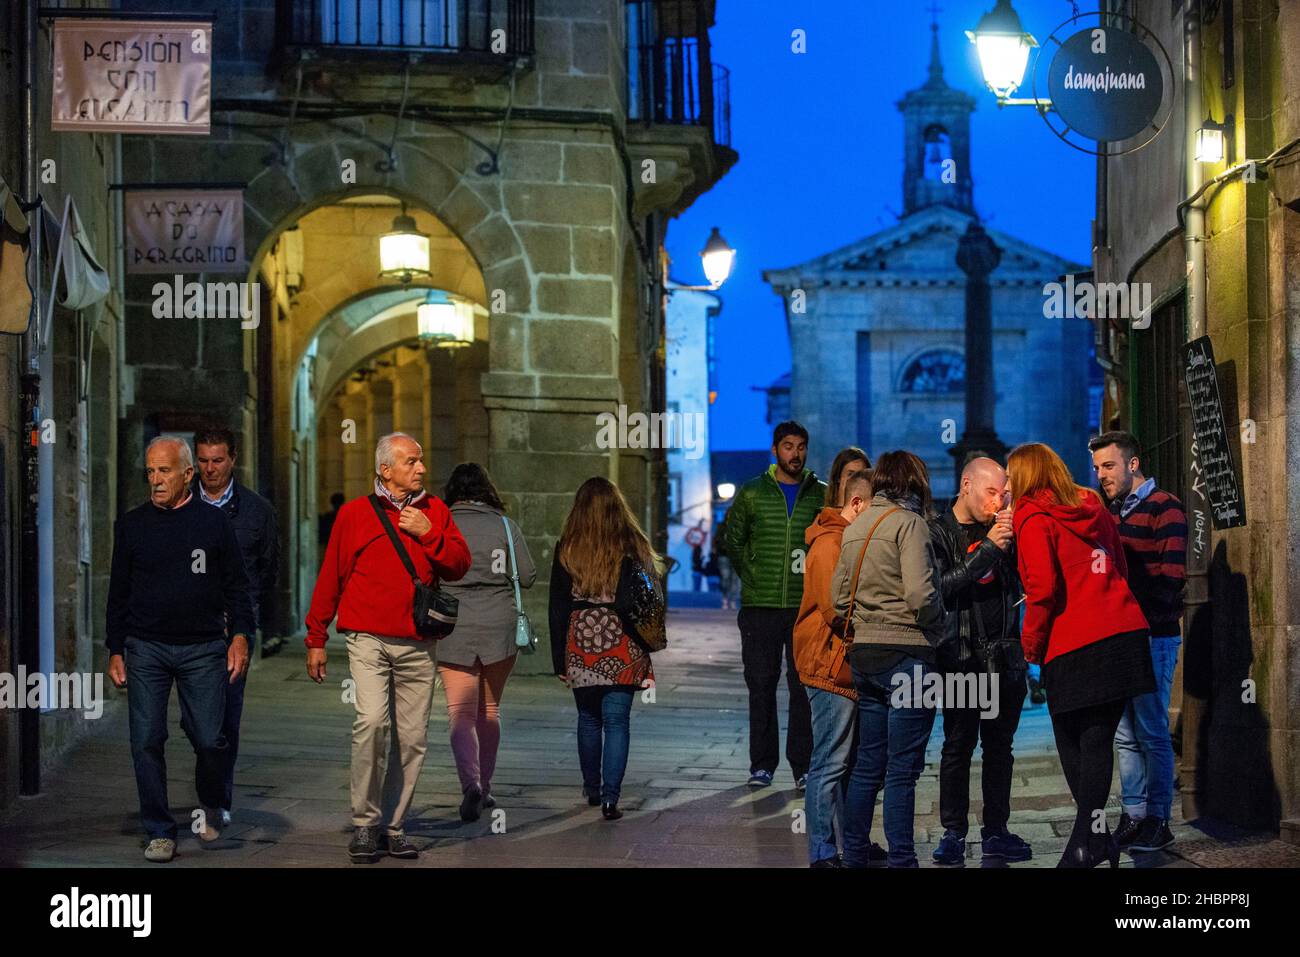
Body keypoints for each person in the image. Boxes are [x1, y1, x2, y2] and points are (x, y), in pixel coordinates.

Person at [304, 432, 471, 863]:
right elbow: (332, 577)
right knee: (372, 721)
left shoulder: (434, 511)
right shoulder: (355, 515)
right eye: (412, 462)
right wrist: (316, 637)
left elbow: (458, 565)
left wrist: (430, 533)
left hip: (418, 641)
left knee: (413, 737)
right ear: (386, 470)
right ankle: (365, 824)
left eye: (420, 460)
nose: (421, 468)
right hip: (368, 638)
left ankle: (394, 827)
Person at [106, 436, 255, 863]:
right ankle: (159, 829)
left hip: (204, 648)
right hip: (146, 648)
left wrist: (241, 637)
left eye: (165, 470)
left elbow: (236, 587)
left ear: (187, 474)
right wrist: (115, 647)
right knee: (146, 739)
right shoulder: (132, 525)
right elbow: (118, 593)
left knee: (210, 738)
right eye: (150, 471)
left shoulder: (213, 523)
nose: (155, 480)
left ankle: (211, 802)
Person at [1009, 442, 1153, 868]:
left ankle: (1085, 845)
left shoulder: (1032, 516)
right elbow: (1120, 564)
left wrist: (1030, 648)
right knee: (1094, 741)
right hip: (1121, 634)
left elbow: (1042, 590)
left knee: (1076, 742)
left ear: (1025, 476)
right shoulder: (1090, 503)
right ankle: (1097, 839)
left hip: (1074, 643)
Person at [832, 450, 945, 868]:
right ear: (913, 483)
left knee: (867, 766)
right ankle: (902, 858)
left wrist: (869, 615)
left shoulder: (857, 526)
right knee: (903, 769)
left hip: (865, 657)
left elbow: (838, 599)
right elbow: (920, 594)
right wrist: (939, 622)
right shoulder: (910, 524)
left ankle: (855, 854)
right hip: (908, 655)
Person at [929, 457, 1032, 866]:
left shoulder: (1007, 529)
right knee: (957, 746)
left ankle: (996, 830)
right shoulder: (938, 531)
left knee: (1000, 749)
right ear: (966, 484)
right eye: (991, 493)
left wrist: (1014, 543)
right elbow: (940, 588)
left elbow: (1026, 582)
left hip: (1004, 657)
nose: (997, 502)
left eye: (1003, 495)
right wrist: (989, 548)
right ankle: (953, 832)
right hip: (961, 658)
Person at [1090, 430, 1186, 853]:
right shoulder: (1110, 515)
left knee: (1151, 731)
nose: (1102, 475)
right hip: (1120, 639)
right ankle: (1133, 815)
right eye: (1097, 468)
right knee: (1125, 735)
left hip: (1152, 637)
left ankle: (1159, 819)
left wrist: (1123, 600)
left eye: (1108, 466)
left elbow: (1171, 580)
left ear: (1132, 464)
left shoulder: (1165, 508)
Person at [549, 477, 663, 821]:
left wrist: (559, 657)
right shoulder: (633, 545)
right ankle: (612, 799)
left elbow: (557, 606)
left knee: (588, 718)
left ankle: (593, 788)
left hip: (581, 638)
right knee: (617, 721)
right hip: (622, 638)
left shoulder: (567, 546)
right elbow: (649, 599)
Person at [725, 421, 827, 789]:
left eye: (801, 446)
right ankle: (762, 764)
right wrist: (752, 576)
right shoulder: (753, 493)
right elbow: (732, 541)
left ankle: (802, 766)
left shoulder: (820, 495)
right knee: (761, 683)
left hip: (803, 606)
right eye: (788, 446)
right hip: (760, 605)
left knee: (802, 685)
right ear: (775, 450)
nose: (795, 453)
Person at [794, 464, 886, 868]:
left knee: (843, 761)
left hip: (840, 663)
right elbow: (836, 609)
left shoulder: (842, 539)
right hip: (829, 664)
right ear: (855, 503)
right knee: (829, 761)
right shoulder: (831, 544)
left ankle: (850, 844)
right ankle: (822, 850)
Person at [189, 426, 279, 826]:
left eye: (218, 461)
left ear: (233, 459)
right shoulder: (180, 503)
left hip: (234, 629)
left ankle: (216, 798)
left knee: (226, 714)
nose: (210, 469)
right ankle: (208, 772)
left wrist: (248, 617)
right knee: (195, 721)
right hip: (185, 626)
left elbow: (267, 570)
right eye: (203, 461)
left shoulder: (257, 512)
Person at [437, 462, 536, 823]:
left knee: (459, 712)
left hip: (453, 624)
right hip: (499, 623)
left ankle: (470, 785)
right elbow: (526, 576)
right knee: (489, 710)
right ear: (486, 490)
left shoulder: (442, 524)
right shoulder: (505, 526)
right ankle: (487, 785)